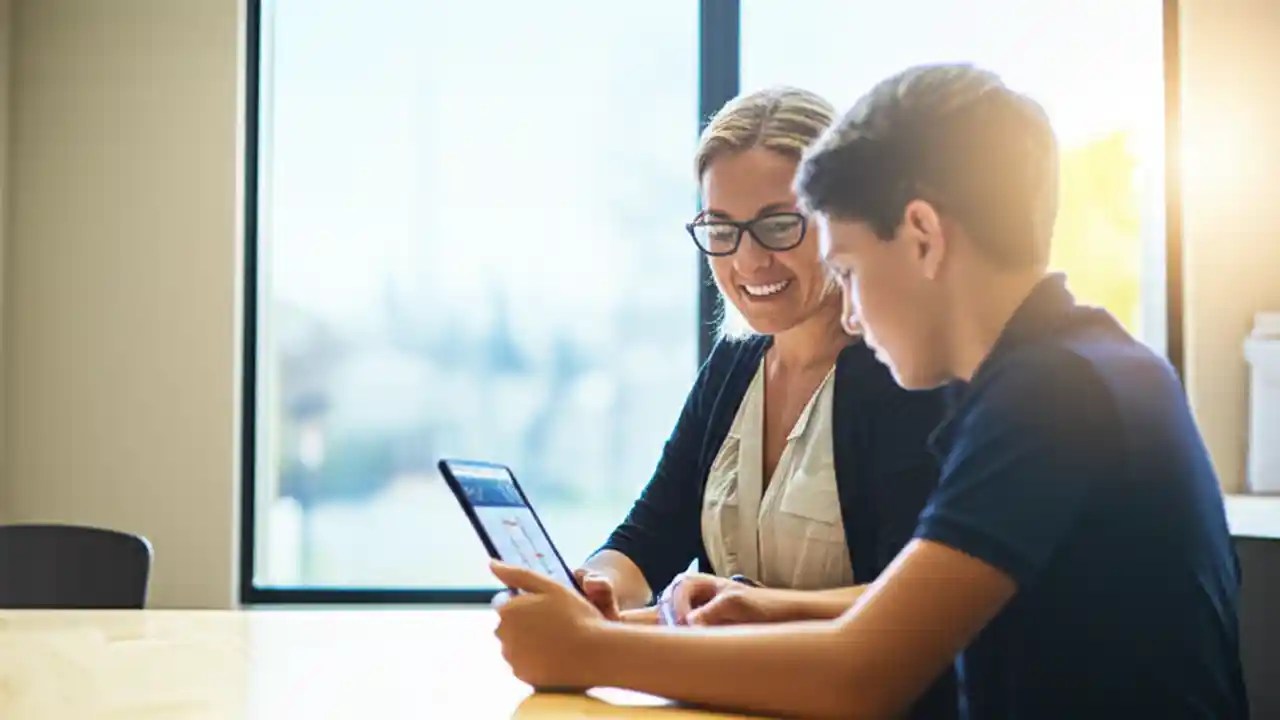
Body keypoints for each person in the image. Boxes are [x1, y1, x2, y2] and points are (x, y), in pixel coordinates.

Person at [489, 63, 1249, 720]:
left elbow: (867, 673)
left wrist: (592, 649)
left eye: (847, 266)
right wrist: (767, 606)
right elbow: (911, 611)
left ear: (922, 237)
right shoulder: (1073, 367)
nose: (847, 308)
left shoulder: (1053, 395)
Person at [573, 86, 945, 637]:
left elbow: (922, 601)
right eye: (722, 229)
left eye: (778, 224)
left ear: (841, 220)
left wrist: (757, 605)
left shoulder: (902, 376)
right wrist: (591, 587)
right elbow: (648, 538)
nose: (748, 259)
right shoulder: (734, 364)